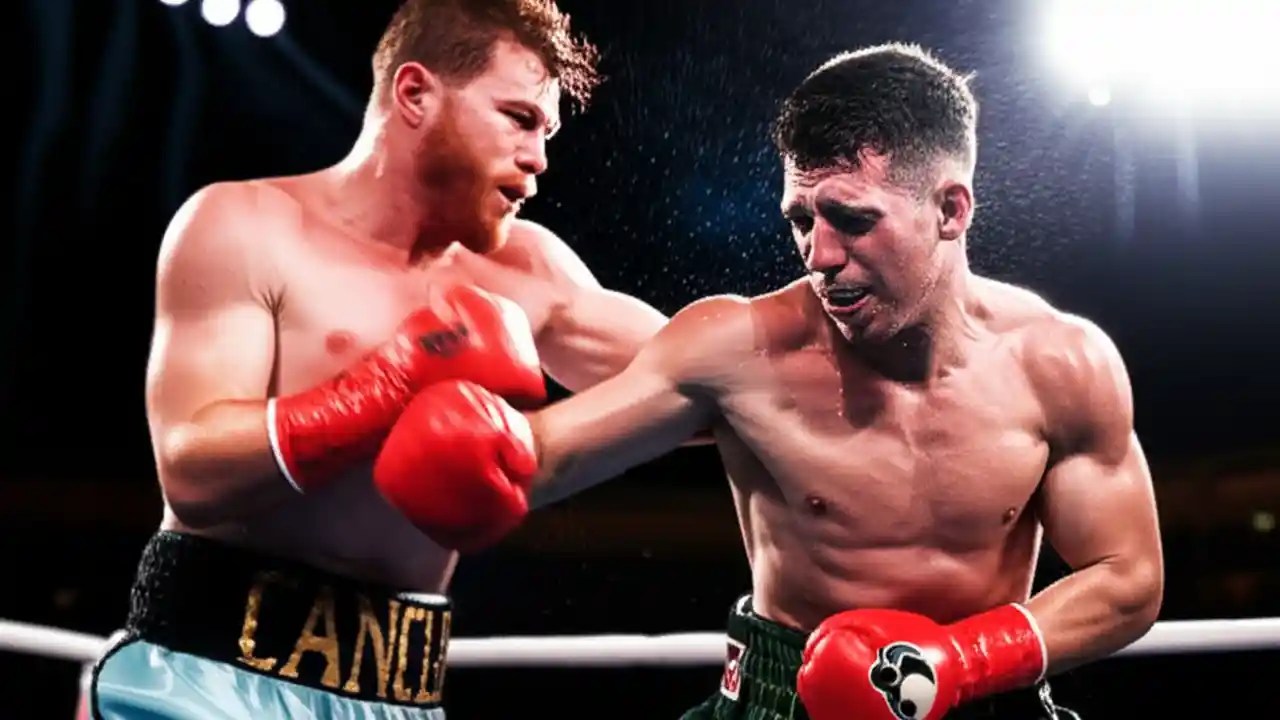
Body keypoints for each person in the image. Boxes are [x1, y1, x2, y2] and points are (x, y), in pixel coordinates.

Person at [373, 43, 1165, 719]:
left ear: (950, 209)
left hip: (988, 695)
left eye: (852, 219)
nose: (818, 255)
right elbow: (536, 458)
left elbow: (1128, 579)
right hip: (782, 698)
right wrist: (443, 429)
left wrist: (958, 662)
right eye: (799, 219)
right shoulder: (738, 348)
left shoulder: (1060, 362)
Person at [83, 1, 671, 719]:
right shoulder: (246, 227)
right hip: (205, 679)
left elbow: (701, 379)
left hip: (395, 695)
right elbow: (191, 472)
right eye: (519, 118)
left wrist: (826, 316)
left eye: (546, 131)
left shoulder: (530, 274)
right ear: (415, 93)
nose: (540, 157)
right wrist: (388, 383)